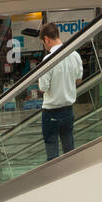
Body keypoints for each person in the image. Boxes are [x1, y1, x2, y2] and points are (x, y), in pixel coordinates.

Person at [38, 21, 83, 161]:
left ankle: (55, 180)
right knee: (69, 148)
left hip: (51, 112)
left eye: (43, 43)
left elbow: (43, 88)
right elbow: (78, 80)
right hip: (68, 110)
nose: (45, 46)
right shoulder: (75, 55)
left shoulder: (48, 60)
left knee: (52, 152)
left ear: (46, 39)